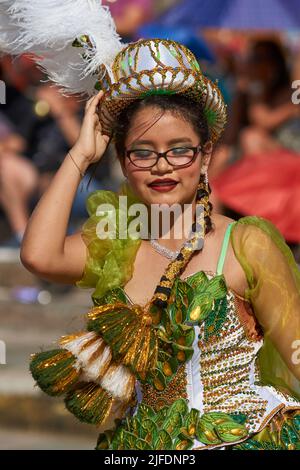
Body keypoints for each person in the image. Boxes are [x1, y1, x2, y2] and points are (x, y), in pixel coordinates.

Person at [3, 2, 299, 451]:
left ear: (204, 157)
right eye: (142, 152)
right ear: (123, 160)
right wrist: (81, 154)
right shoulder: (116, 242)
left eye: (180, 150)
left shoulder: (244, 243)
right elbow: (38, 256)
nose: (162, 166)